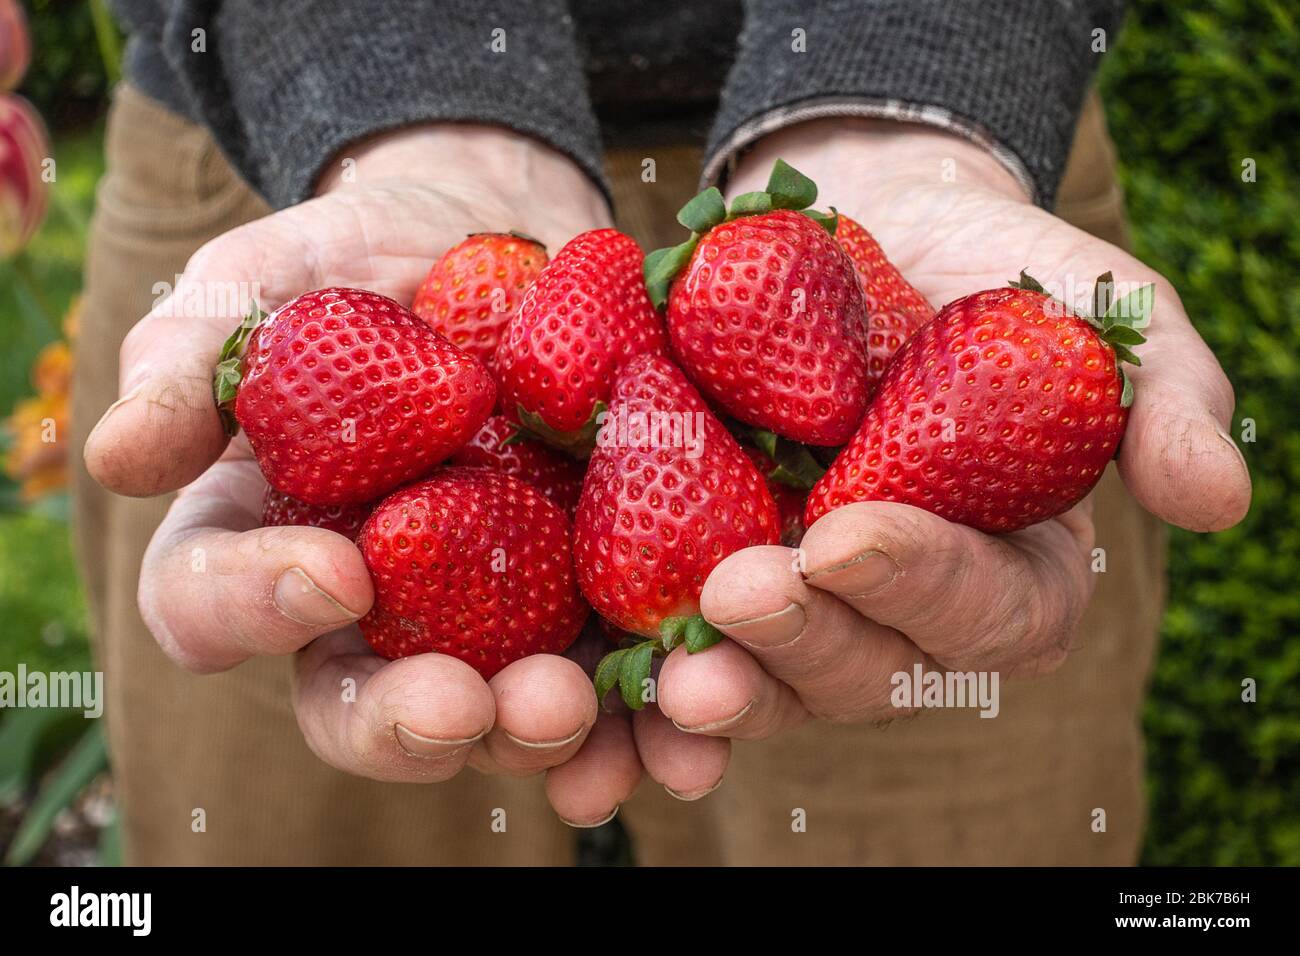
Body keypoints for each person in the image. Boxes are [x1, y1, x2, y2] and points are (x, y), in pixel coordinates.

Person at [75, 0, 1250, 865]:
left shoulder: (862, 323)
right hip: (301, 144)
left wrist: (905, 92)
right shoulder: (430, 354)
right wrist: (409, 106)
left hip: (951, 154)